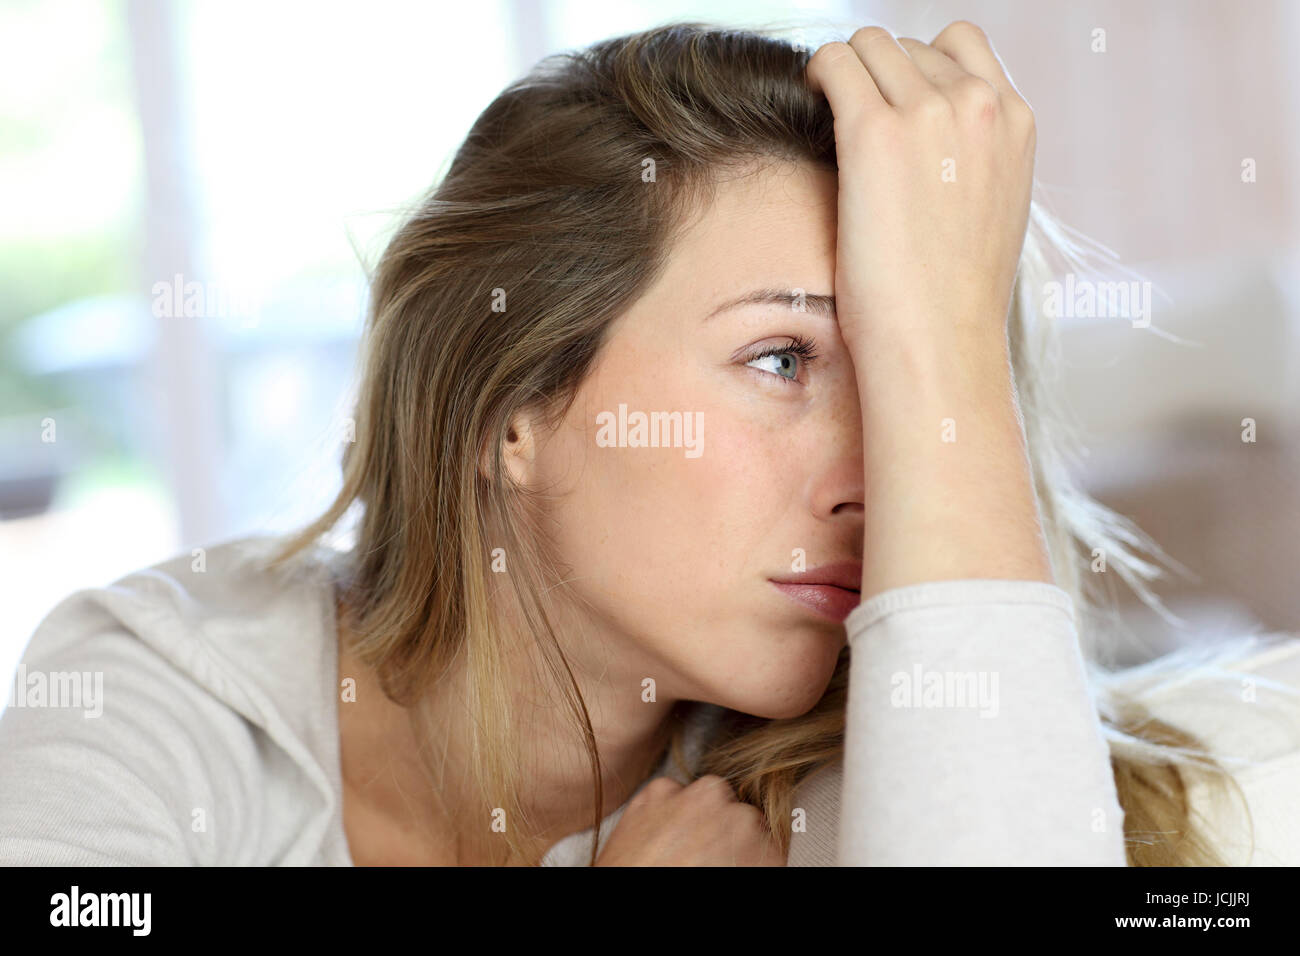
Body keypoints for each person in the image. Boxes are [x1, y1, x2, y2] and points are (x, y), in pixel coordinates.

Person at [3, 20, 1299, 867]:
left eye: (903, 389)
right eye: (782, 360)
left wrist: (953, 353)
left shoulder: (846, 767)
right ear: (512, 409)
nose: (874, 487)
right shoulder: (158, 704)